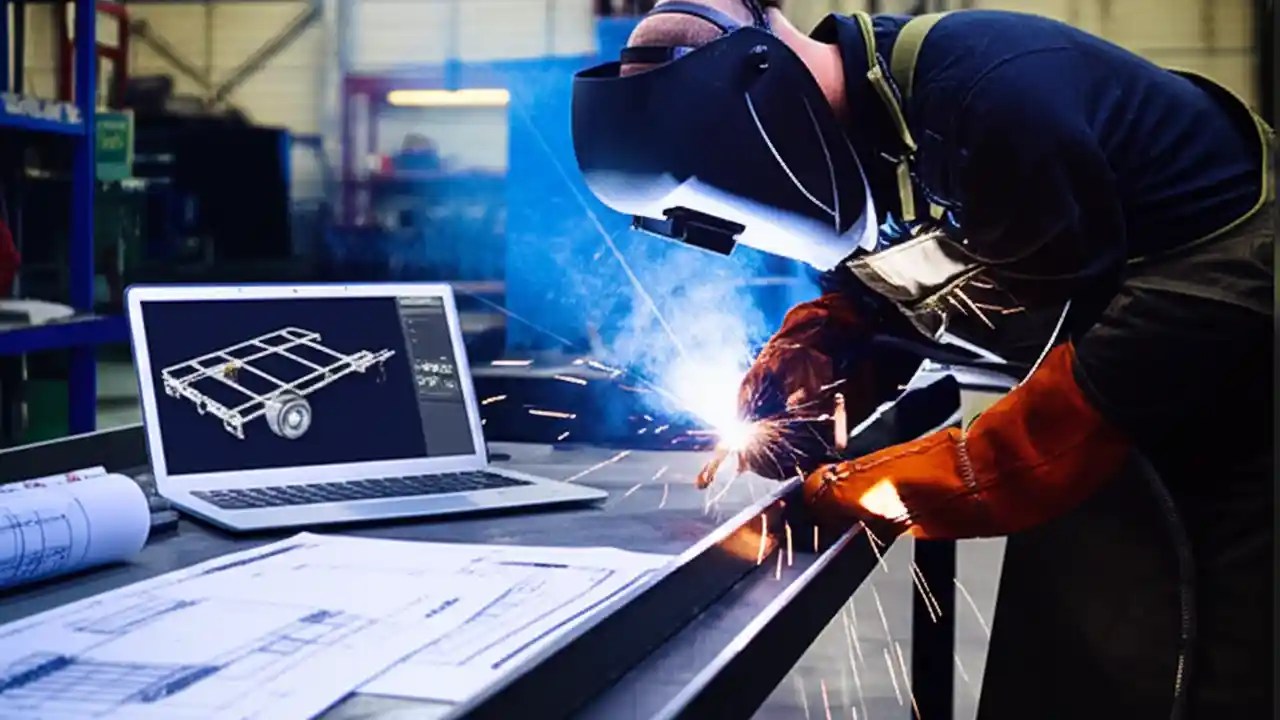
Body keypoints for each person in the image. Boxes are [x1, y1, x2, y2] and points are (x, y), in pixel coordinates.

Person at [570, 1, 1274, 718]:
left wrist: (864, 488)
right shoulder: (852, 141)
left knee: (1204, 653)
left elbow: (1046, 443)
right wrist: (830, 350)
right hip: (1102, 347)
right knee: (1069, 648)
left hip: (1227, 332)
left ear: (762, 99)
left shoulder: (989, 97)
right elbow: (896, 289)